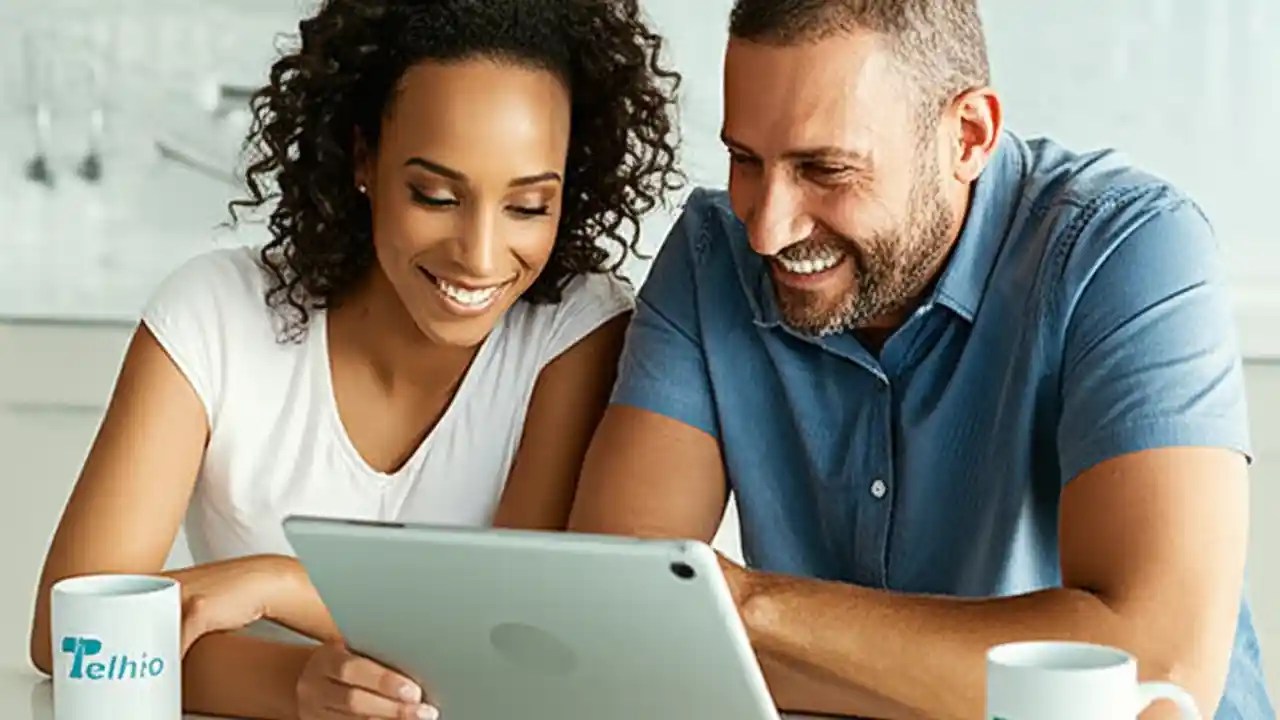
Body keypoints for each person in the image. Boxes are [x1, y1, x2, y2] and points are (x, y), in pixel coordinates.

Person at [569, 1, 1273, 719]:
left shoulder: (1127, 247)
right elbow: (616, 615)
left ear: (967, 137)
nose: (767, 229)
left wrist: (744, 608)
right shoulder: (710, 255)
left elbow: (1150, 671)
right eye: (745, 160)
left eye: (826, 169)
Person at [29, 0, 681, 717]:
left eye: (528, 207)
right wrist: (299, 685)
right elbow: (71, 637)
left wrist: (284, 585)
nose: (480, 256)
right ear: (364, 157)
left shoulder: (578, 332)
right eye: (435, 195)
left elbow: (506, 648)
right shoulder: (214, 317)